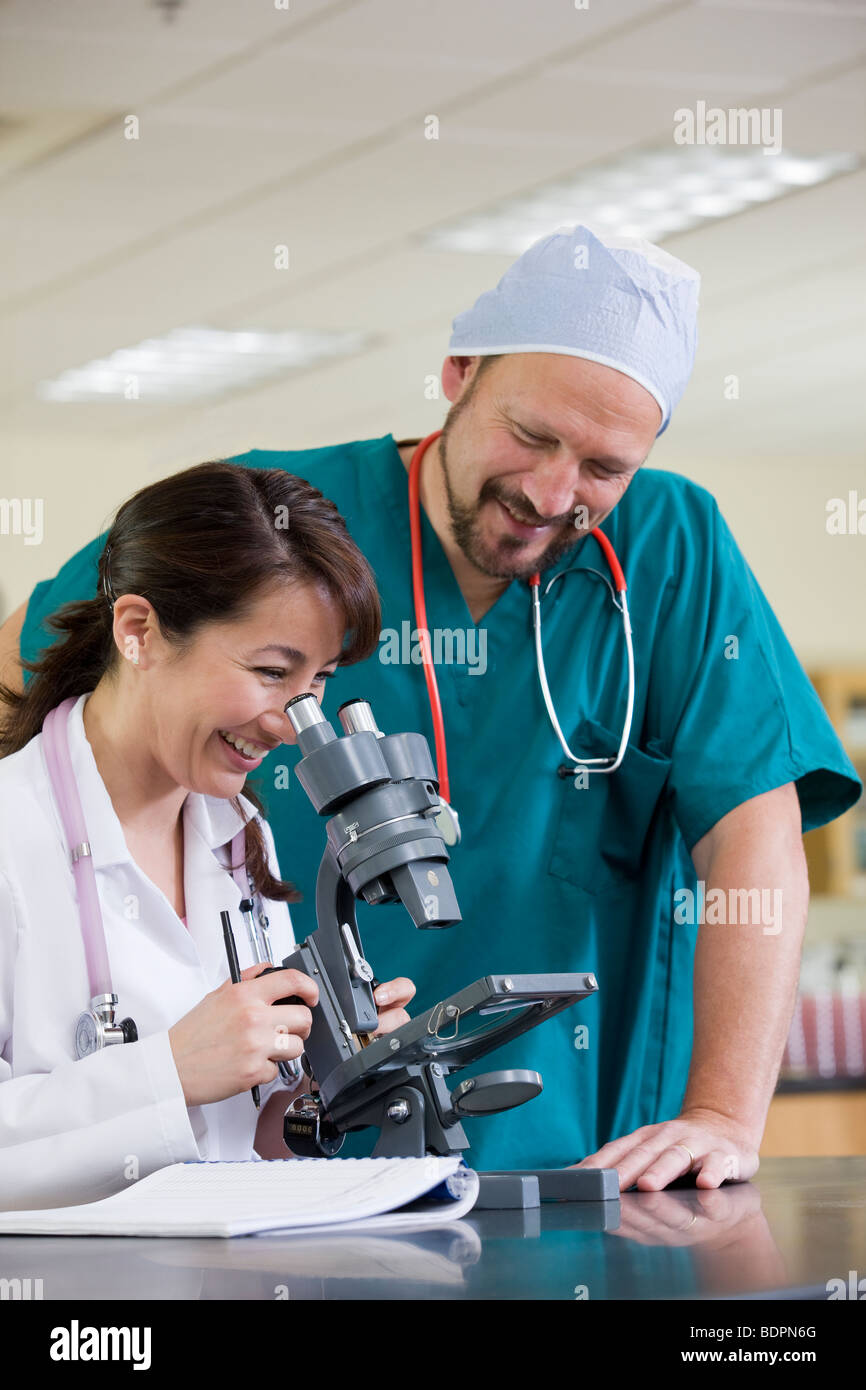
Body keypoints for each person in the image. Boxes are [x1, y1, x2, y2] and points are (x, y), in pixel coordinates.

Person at [1, 225, 860, 1190]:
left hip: (590, 1149)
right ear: (457, 372)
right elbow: (33, 651)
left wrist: (722, 1115)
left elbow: (755, 837)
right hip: (296, 1163)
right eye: (530, 436)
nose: (549, 494)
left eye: (603, 470)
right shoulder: (286, 520)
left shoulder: (672, 549)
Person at [0, 461, 414, 1210]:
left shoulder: (240, 837)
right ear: (139, 632)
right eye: (269, 671)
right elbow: (173, 1091)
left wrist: (325, 1080)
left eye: (316, 682)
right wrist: (168, 1071)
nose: (294, 724)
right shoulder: (11, 832)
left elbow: (238, 1141)